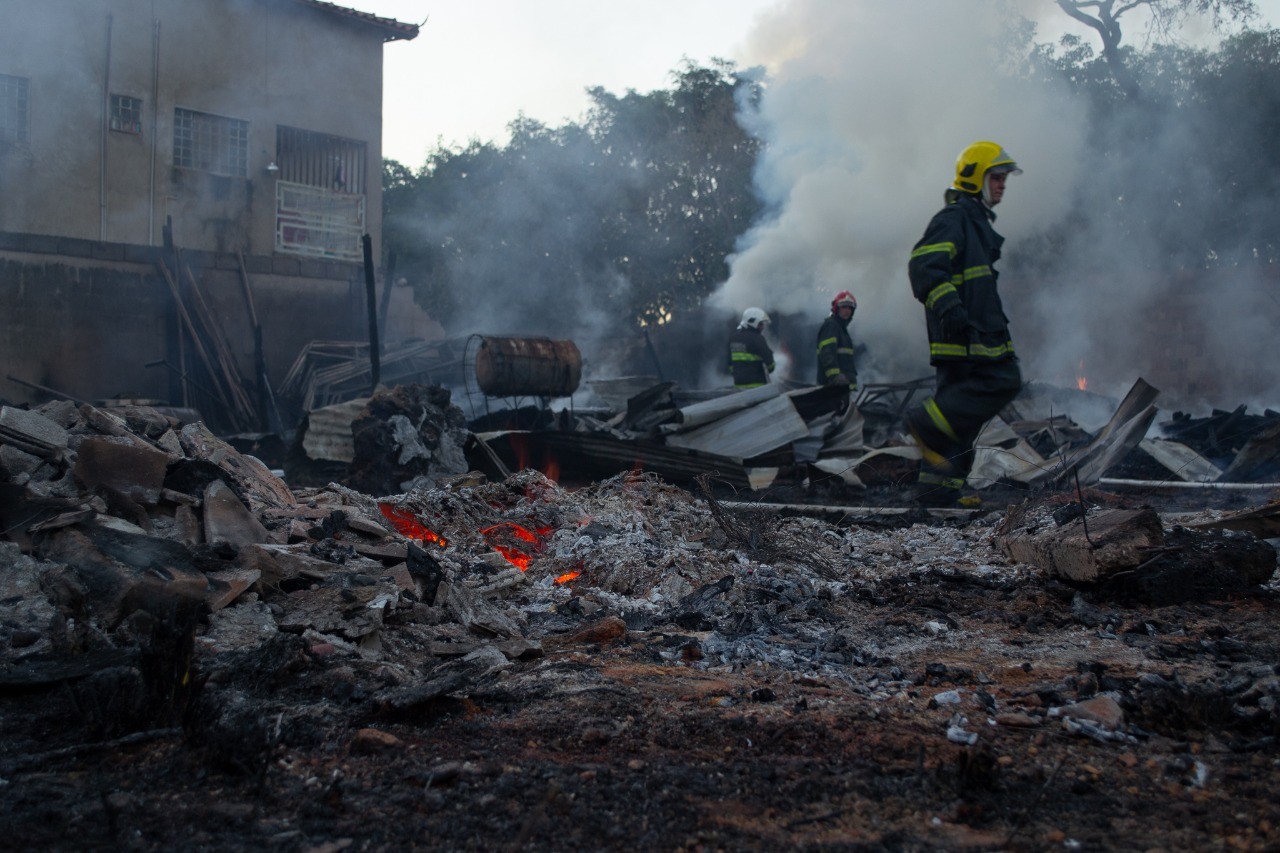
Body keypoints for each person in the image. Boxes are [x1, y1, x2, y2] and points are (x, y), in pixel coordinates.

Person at [904, 140, 1025, 505]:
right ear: (976, 178)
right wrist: (949, 306)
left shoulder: (974, 222)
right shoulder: (955, 218)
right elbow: (923, 265)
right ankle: (925, 424)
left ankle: (938, 492)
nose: (1002, 185)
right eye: (997, 177)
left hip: (969, 333)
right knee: (1004, 380)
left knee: (960, 415)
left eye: (1004, 179)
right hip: (964, 334)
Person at [816, 290, 859, 395]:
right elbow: (827, 352)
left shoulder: (842, 329)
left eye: (850, 308)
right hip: (833, 388)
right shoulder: (831, 326)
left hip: (843, 388)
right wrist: (834, 377)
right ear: (837, 308)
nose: (847, 310)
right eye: (844, 307)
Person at [727, 307, 775, 390]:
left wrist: (736, 373)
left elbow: (728, 362)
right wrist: (771, 368)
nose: (762, 327)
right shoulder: (757, 338)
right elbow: (769, 362)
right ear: (753, 322)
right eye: (760, 324)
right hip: (757, 386)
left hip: (738, 386)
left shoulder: (733, 338)